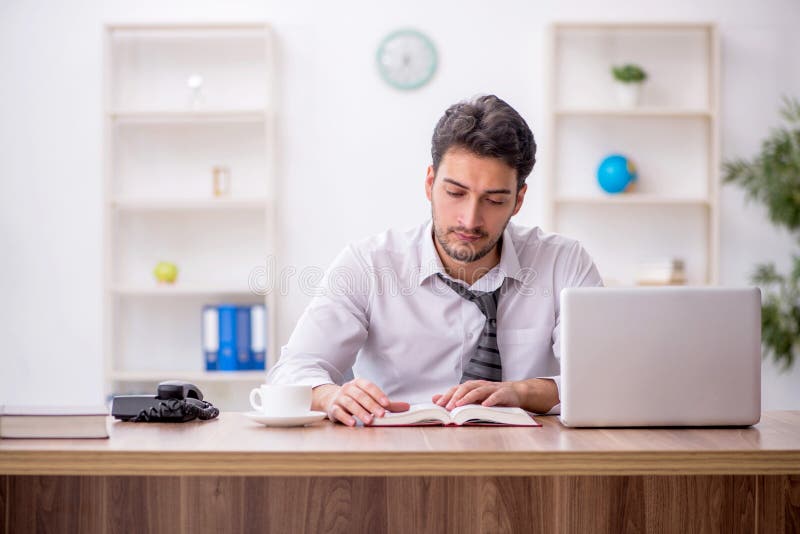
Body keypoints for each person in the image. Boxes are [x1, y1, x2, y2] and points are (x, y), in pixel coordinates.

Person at [267, 94, 602, 426]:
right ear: (430, 183)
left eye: (494, 200)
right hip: (397, 460)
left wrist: (525, 392)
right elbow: (292, 371)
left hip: (529, 463)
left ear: (518, 201)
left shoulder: (563, 262)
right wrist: (330, 395)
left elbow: (604, 378)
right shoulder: (368, 264)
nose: (469, 220)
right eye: (455, 193)